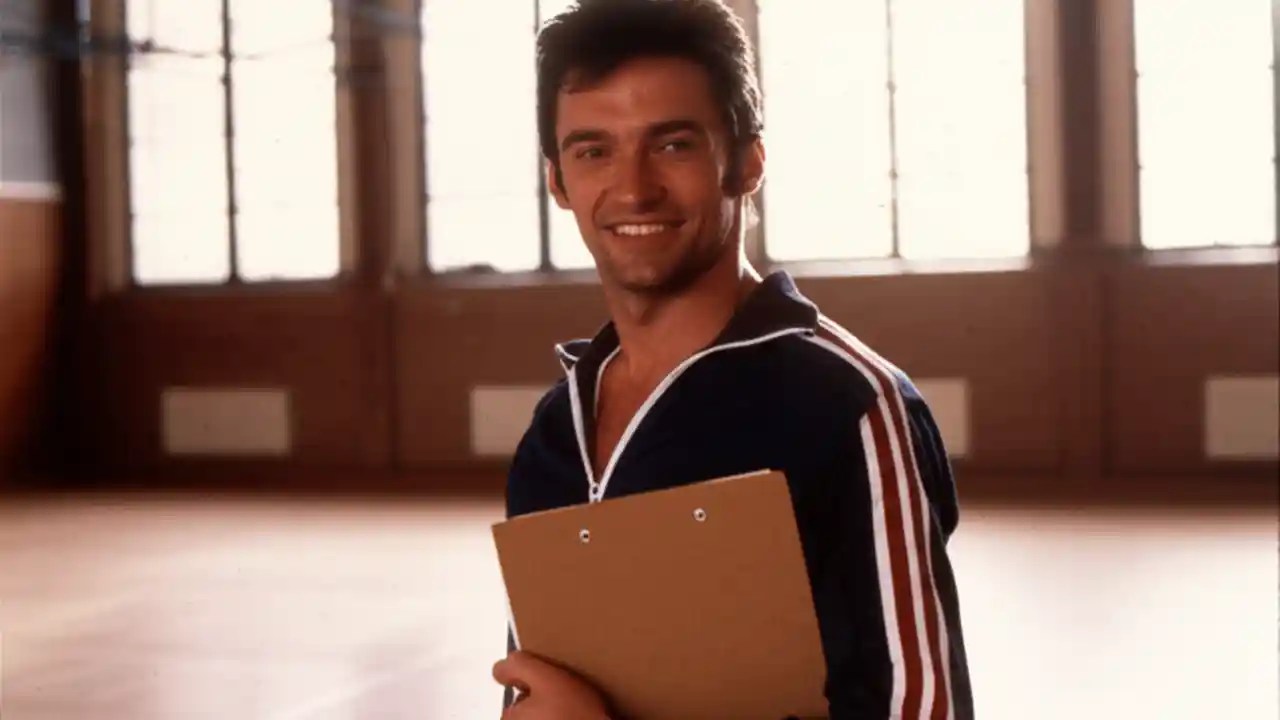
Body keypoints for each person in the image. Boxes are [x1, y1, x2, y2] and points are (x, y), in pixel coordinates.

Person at [492, 1, 973, 717]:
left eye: (673, 144)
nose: (633, 188)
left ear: (746, 162)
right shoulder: (556, 431)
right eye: (594, 150)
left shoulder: (848, 405)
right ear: (558, 181)